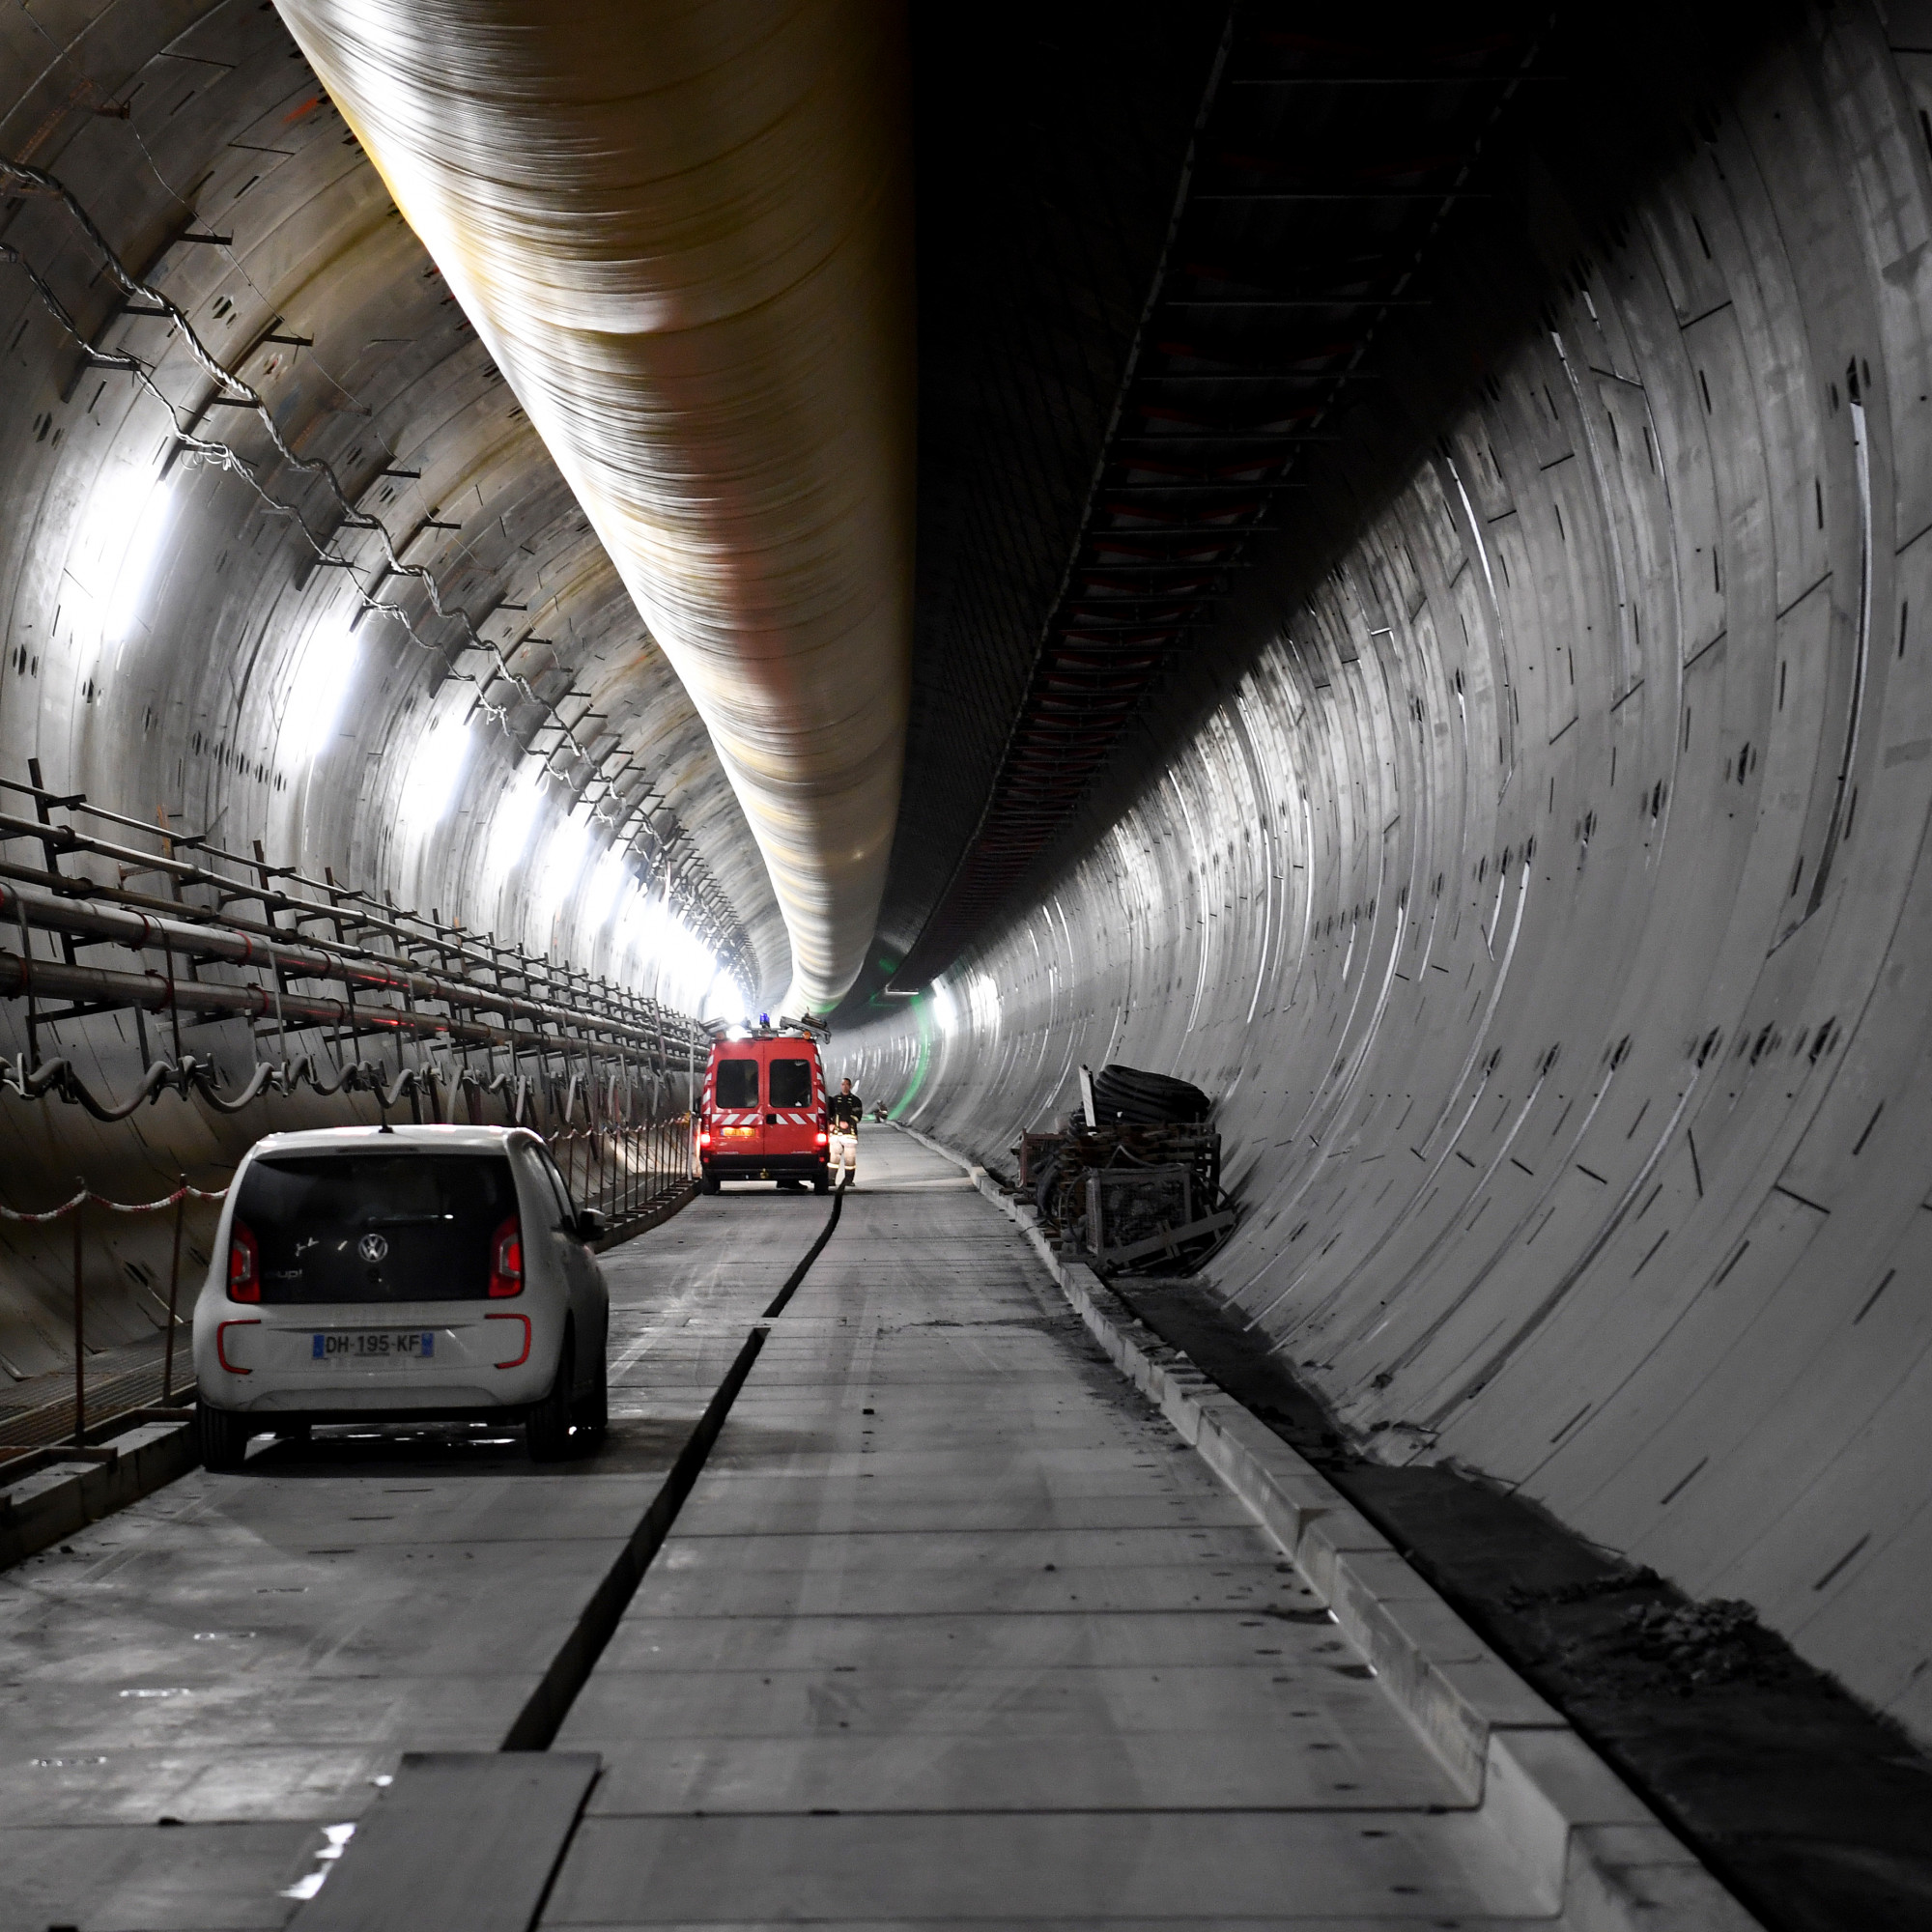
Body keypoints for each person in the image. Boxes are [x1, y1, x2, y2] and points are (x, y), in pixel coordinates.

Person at [827, 1077, 863, 1188]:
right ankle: (831, 1179)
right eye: (843, 1084)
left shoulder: (856, 1100)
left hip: (849, 1134)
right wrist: (830, 1124)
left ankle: (848, 1180)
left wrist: (848, 1122)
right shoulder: (834, 1100)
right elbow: (828, 1114)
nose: (845, 1086)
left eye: (847, 1084)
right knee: (833, 1158)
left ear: (850, 1086)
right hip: (836, 1134)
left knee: (850, 1159)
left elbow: (858, 1116)